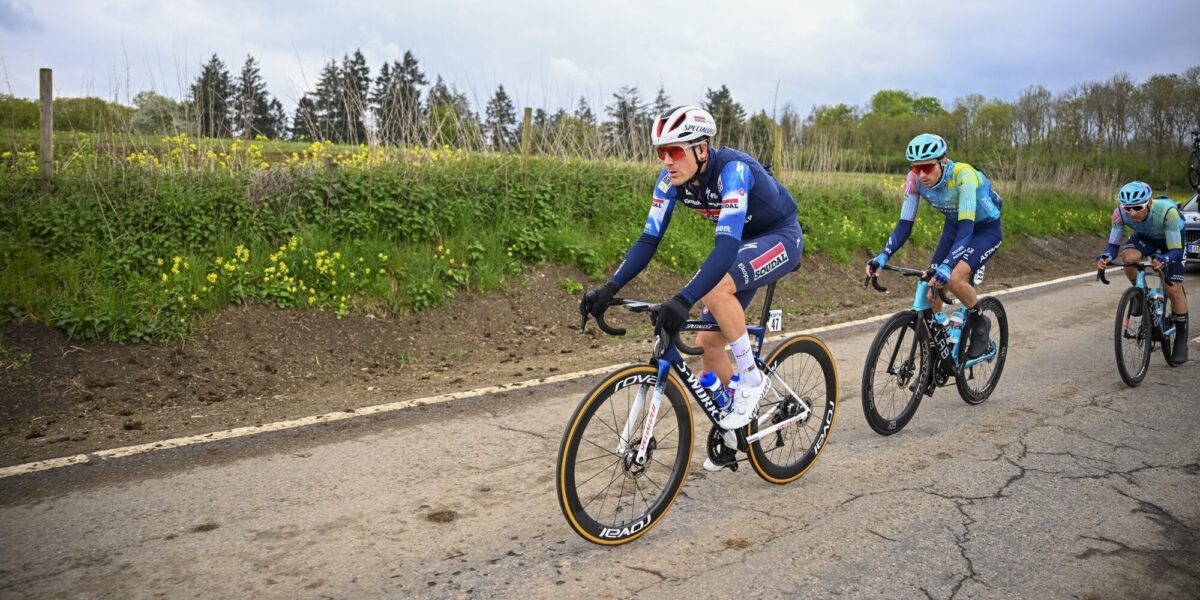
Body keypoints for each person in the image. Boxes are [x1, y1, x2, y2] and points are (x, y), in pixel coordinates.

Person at [579, 105, 804, 431]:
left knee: (715, 290)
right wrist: (610, 288)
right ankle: (738, 430)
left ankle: (751, 380)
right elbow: (648, 240)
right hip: (743, 244)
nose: (666, 161)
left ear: (701, 149)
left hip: (780, 236)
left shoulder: (733, 171)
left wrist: (683, 300)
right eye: (661, 152)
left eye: (674, 151)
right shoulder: (669, 182)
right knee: (707, 344)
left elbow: (725, 248)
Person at [866, 133, 1003, 360]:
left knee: (953, 278)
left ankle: (979, 321)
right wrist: (883, 255)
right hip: (954, 226)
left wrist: (948, 266)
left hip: (984, 230)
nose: (921, 174)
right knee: (931, 288)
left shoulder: (964, 176)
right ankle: (942, 345)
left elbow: (967, 229)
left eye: (927, 168)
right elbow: (905, 223)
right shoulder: (914, 180)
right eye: (916, 168)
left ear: (943, 161)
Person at [1096, 181, 1189, 364]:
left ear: (1149, 203)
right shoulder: (1119, 214)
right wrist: (1107, 256)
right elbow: (1113, 245)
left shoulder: (1168, 213)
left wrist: (1164, 259)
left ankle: (1181, 337)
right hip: (1146, 238)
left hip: (1172, 242)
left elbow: (1176, 251)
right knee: (1128, 258)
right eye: (1127, 208)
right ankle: (1139, 294)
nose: (1132, 213)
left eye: (1137, 208)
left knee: (1173, 289)